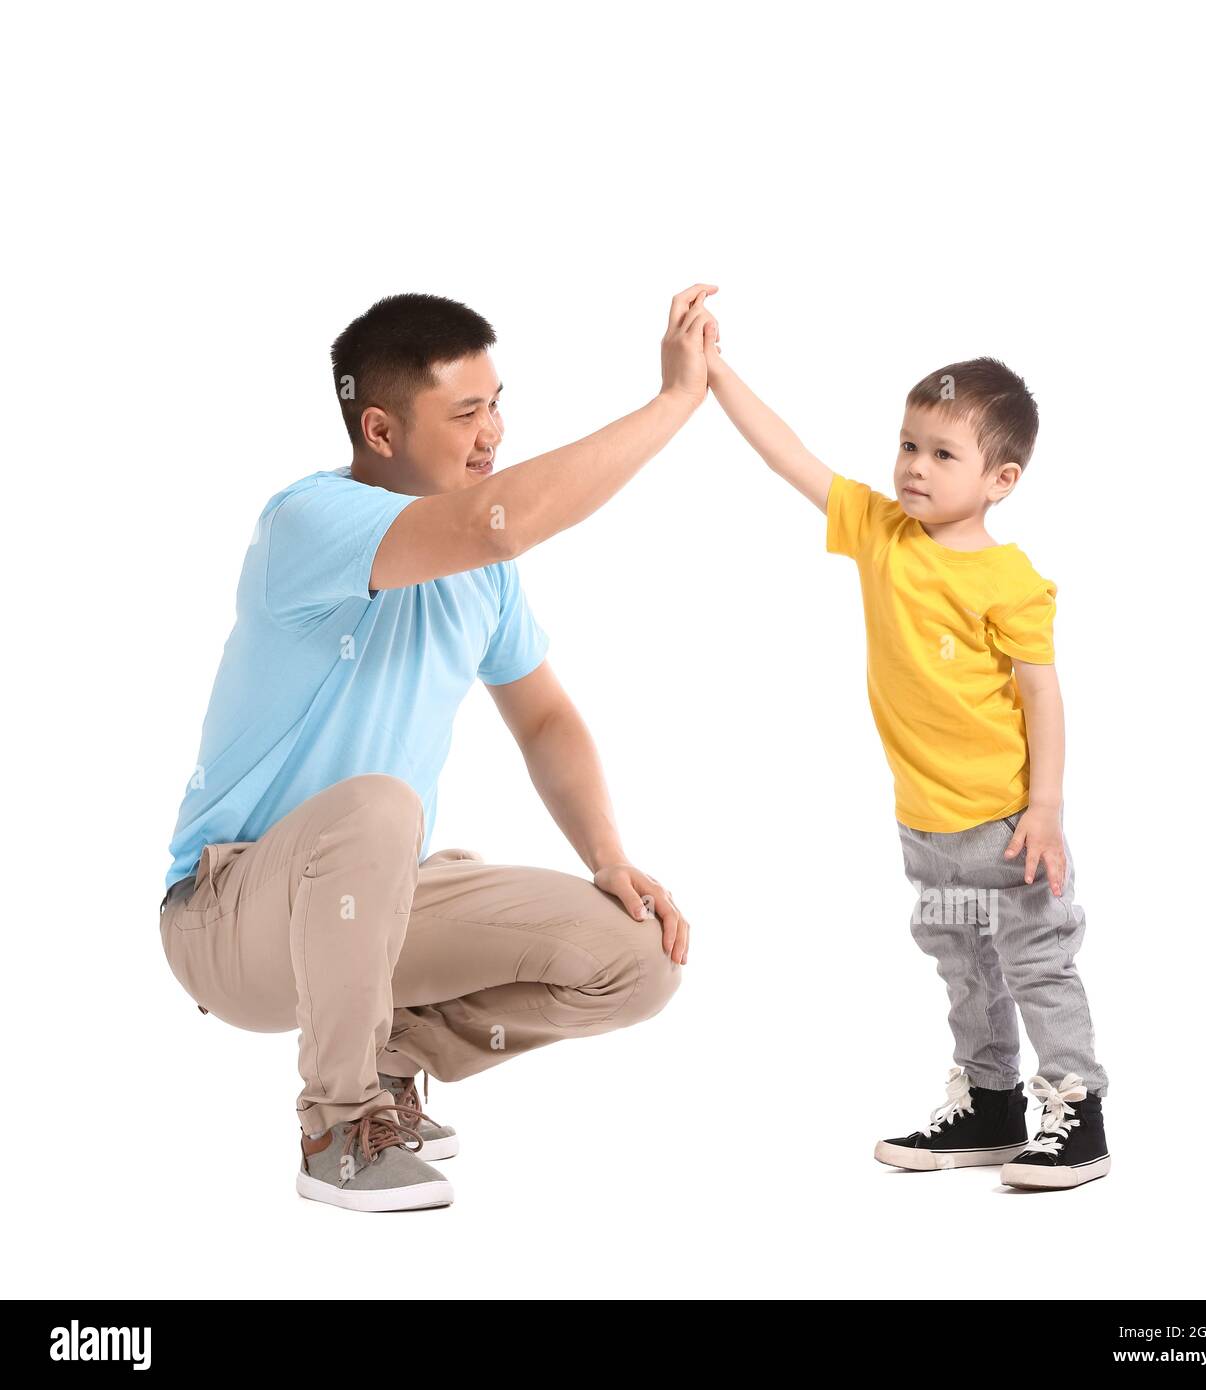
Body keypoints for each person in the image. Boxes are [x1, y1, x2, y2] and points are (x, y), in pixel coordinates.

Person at [160, 284, 718, 1212]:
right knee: (381, 807)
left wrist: (609, 860)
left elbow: (545, 719)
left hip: (369, 901)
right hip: (227, 913)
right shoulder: (306, 522)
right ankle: (337, 1127)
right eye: (466, 413)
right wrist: (674, 403)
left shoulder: (482, 577)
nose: (493, 433)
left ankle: (388, 1058)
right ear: (380, 431)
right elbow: (501, 516)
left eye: (497, 402)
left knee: (637, 957)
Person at [705, 337, 1110, 1191]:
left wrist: (1047, 809)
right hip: (926, 824)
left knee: (1038, 963)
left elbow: (1043, 697)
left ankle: (1077, 1112)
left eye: (942, 454)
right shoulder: (881, 533)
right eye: (907, 446)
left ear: (1000, 480)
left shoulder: (1009, 580)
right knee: (965, 968)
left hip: (1007, 826)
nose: (914, 468)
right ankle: (992, 1105)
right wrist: (714, 372)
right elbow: (788, 455)